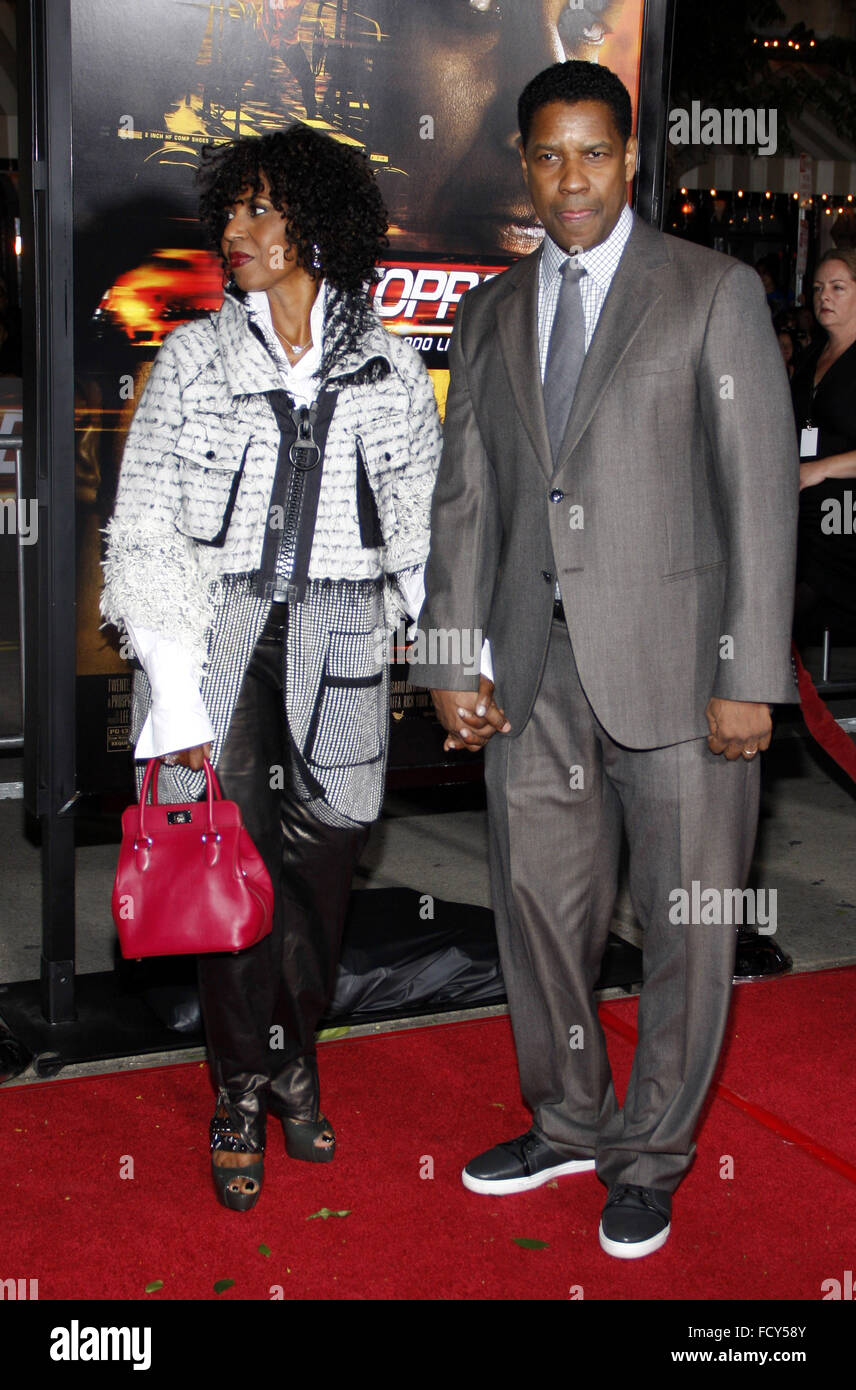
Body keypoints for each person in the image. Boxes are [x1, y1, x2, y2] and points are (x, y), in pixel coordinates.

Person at [409, 61, 798, 1259]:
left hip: (683, 675)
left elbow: (758, 496)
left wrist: (750, 674)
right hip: (529, 676)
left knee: (687, 926)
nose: (570, 178)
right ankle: (569, 1118)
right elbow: (463, 501)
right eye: (548, 154)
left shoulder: (711, 291)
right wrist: (448, 658)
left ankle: (650, 1154)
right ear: (523, 164)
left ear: (630, 158)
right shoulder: (488, 312)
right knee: (538, 916)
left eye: (592, 152)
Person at [101, 125, 441, 1211]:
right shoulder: (194, 357)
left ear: (316, 222)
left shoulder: (389, 361)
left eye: (260, 210)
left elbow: (423, 528)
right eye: (230, 212)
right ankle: (243, 1088)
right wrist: (173, 687)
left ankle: (295, 1054)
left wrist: (451, 654)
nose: (235, 232)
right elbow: (144, 529)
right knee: (228, 867)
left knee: (326, 868)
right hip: (216, 637)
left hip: (345, 634)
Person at [792, 248, 856, 643]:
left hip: (845, 514)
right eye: (817, 288)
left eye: (837, 287)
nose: (824, 297)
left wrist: (820, 468)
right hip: (802, 508)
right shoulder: (812, 355)